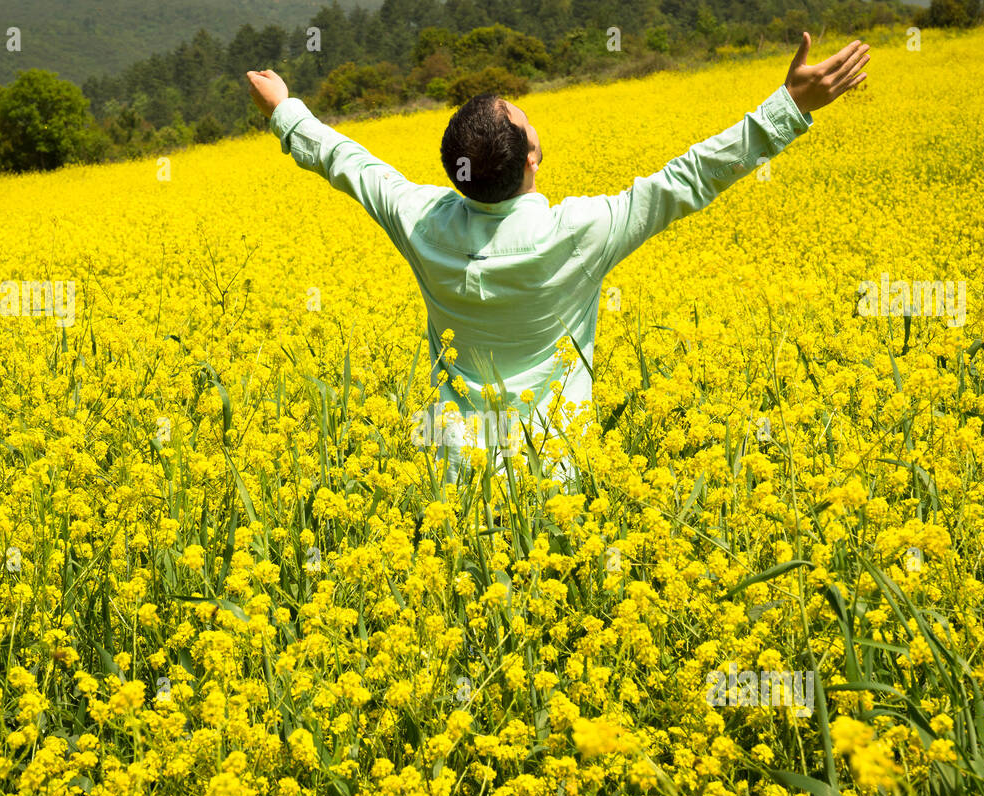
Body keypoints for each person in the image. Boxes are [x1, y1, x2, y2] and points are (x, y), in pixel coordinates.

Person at [247, 34, 869, 484]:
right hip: (553, 480)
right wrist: (787, 108)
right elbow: (688, 180)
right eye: (527, 125)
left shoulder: (420, 222)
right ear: (531, 160)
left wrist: (285, 110)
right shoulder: (581, 231)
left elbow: (349, 164)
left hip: (451, 478)